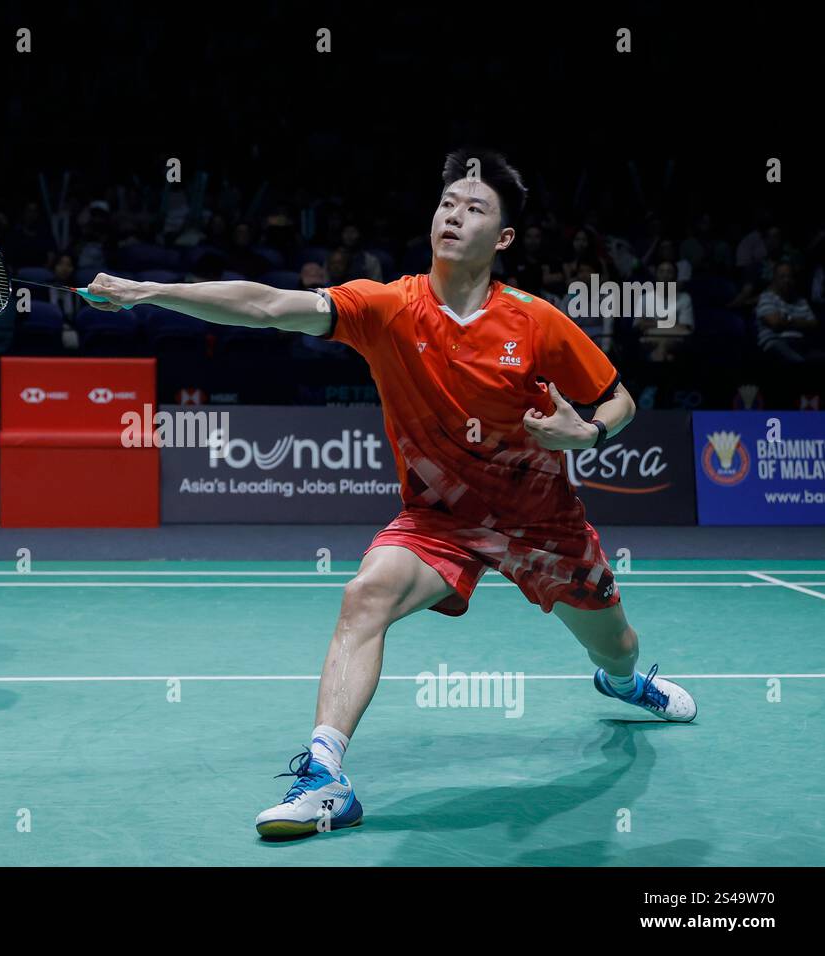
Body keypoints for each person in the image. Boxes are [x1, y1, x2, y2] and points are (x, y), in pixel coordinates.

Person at [85, 149, 697, 839]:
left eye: (475, 210)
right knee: (363, 596)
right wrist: (147, 292)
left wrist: (583, 434)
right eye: (447, 205)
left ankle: (620, 682)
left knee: (616, 646)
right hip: (439, 520)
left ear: (502, 239)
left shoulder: (536, 322)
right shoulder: (386, 307)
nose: (454, 217)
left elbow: (620, 400)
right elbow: (265, 305)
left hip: (543, 523)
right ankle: (325, 779)